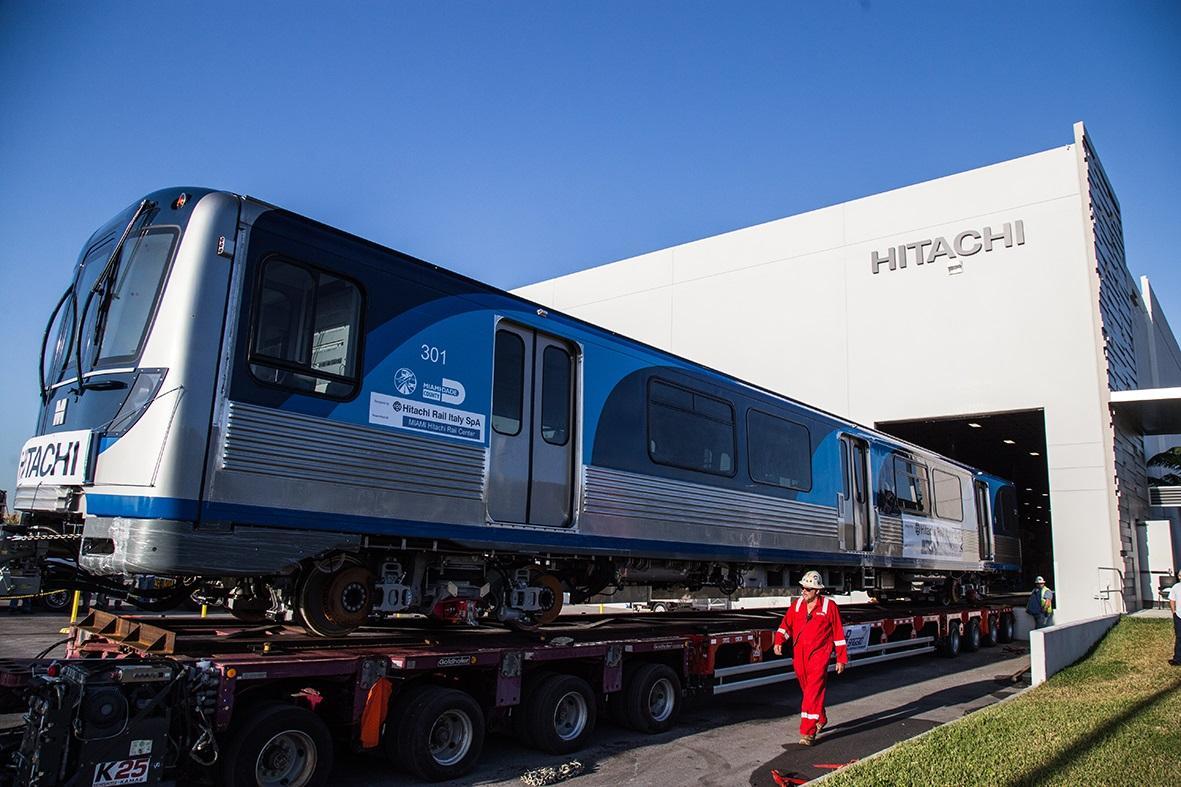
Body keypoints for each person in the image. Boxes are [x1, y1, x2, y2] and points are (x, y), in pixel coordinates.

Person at [772, 570, 848, 746]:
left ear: (817, 591)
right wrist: (779, 640)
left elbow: (838, 634)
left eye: (808, 589)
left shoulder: (829, 607)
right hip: (799, 657)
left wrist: (841, 658)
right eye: (803, 588)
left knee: (812, 693)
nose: (803, 591)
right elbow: (785, 625)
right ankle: (820, 717)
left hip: (819, 656)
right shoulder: (797, 605)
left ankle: (808, 732)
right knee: (808, 691)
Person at [1168, 569, 1181, 666]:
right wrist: (1174, 612)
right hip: (1179, 616)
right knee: (1179, 637)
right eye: (1180, 576)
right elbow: (1172, 600)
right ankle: (1177, 659)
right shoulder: (1176, 587)